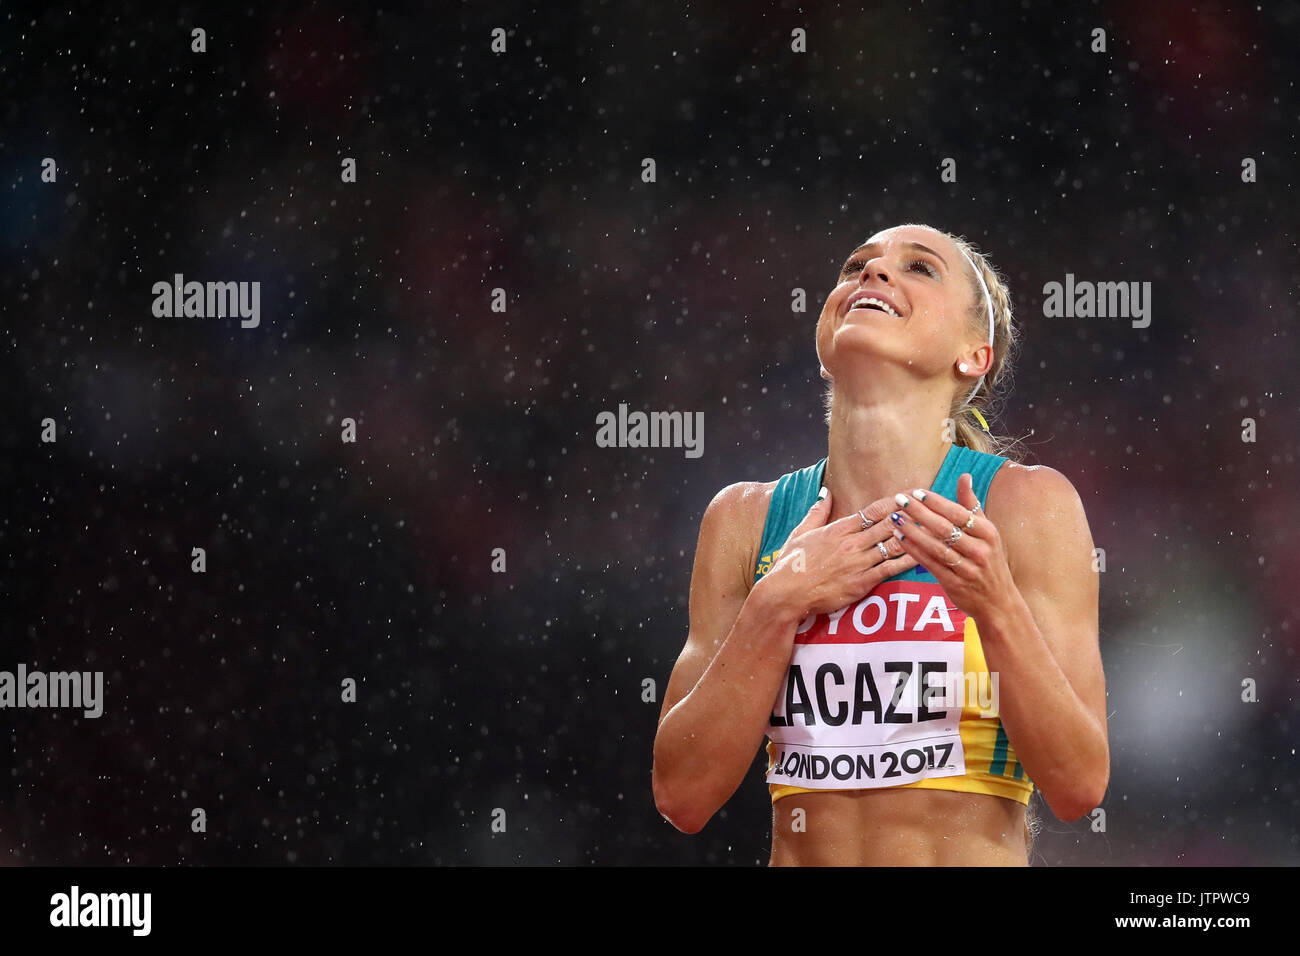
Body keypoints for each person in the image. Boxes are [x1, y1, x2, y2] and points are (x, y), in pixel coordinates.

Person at [651, 223, 1109, 865]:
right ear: (823, 343)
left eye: (919, 267)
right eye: (855, 266)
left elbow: (1078, 785)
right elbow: (682, 794)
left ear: (974, 354)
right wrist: (776, 603)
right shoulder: (746, 521)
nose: (872, 273)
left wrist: (995, 602)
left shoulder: (1024, 507)